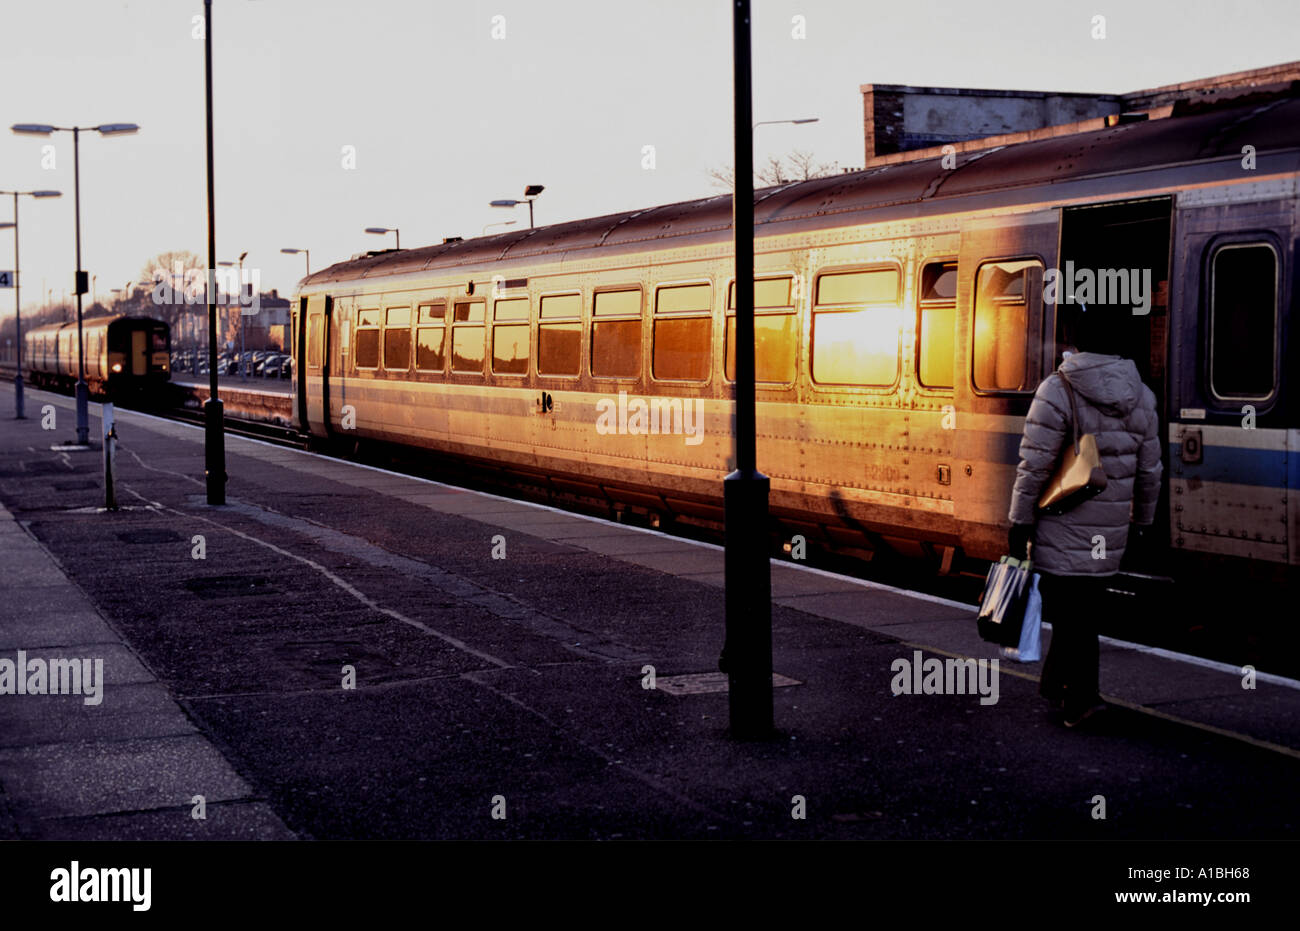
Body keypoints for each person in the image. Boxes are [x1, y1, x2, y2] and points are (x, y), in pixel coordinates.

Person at [1007, 304, 1162, 727]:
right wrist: (1144, 524)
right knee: (1083, 609)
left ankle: (1083, 699)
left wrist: (1019, 521)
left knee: (1074, 615)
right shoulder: (1142, 396)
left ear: (1077, 340)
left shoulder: (1057, 389)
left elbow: (1034, 465)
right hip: (1108, 531)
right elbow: (1150, 471)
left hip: (1063, 523)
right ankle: (1056, 682)